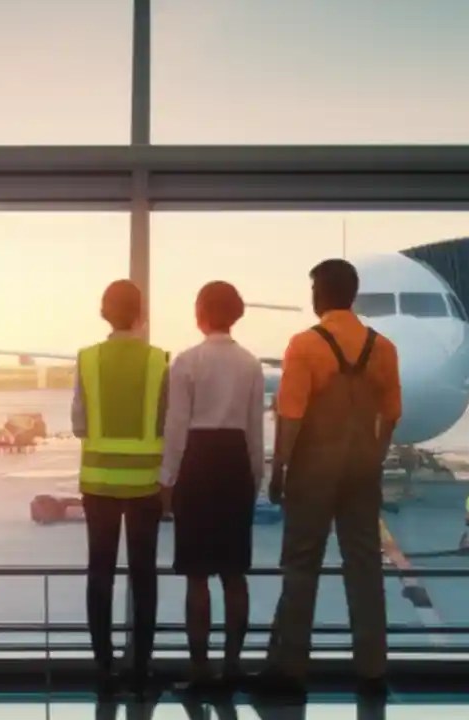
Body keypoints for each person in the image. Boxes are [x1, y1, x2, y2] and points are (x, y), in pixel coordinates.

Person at [264, 259, 401, 696]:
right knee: (363, 566)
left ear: (319, 296)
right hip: (361, 470)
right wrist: (374, 457)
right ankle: (372, 669)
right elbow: (392, 414)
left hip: (313, 471)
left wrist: (279, 469)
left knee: (301, 566)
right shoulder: (383, 348)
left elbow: (291, 416)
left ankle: (290, 670)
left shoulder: (304, 346)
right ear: (352, 295)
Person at [160, 281, 265, 688]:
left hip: (197, 464)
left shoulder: (186, 362)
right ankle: (233, 666)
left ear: (200, 313)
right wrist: (255, 477)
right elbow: (256, 431)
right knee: (235, 573)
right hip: (235, 461)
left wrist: (168, 479)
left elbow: (176, 429)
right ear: (236, 314)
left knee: (197, 574)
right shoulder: (251, 364)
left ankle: (200, 669)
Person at [73, 279, 169, 694]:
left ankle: (103, 664)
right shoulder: (158, 361)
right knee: (144, 575)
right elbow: (166, 421)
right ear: (141, 313)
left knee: (100, 574)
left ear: (103, 312)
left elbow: (79, 423)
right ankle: (142, 665)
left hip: (98, 483)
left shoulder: (87, 359)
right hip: (146, 483)